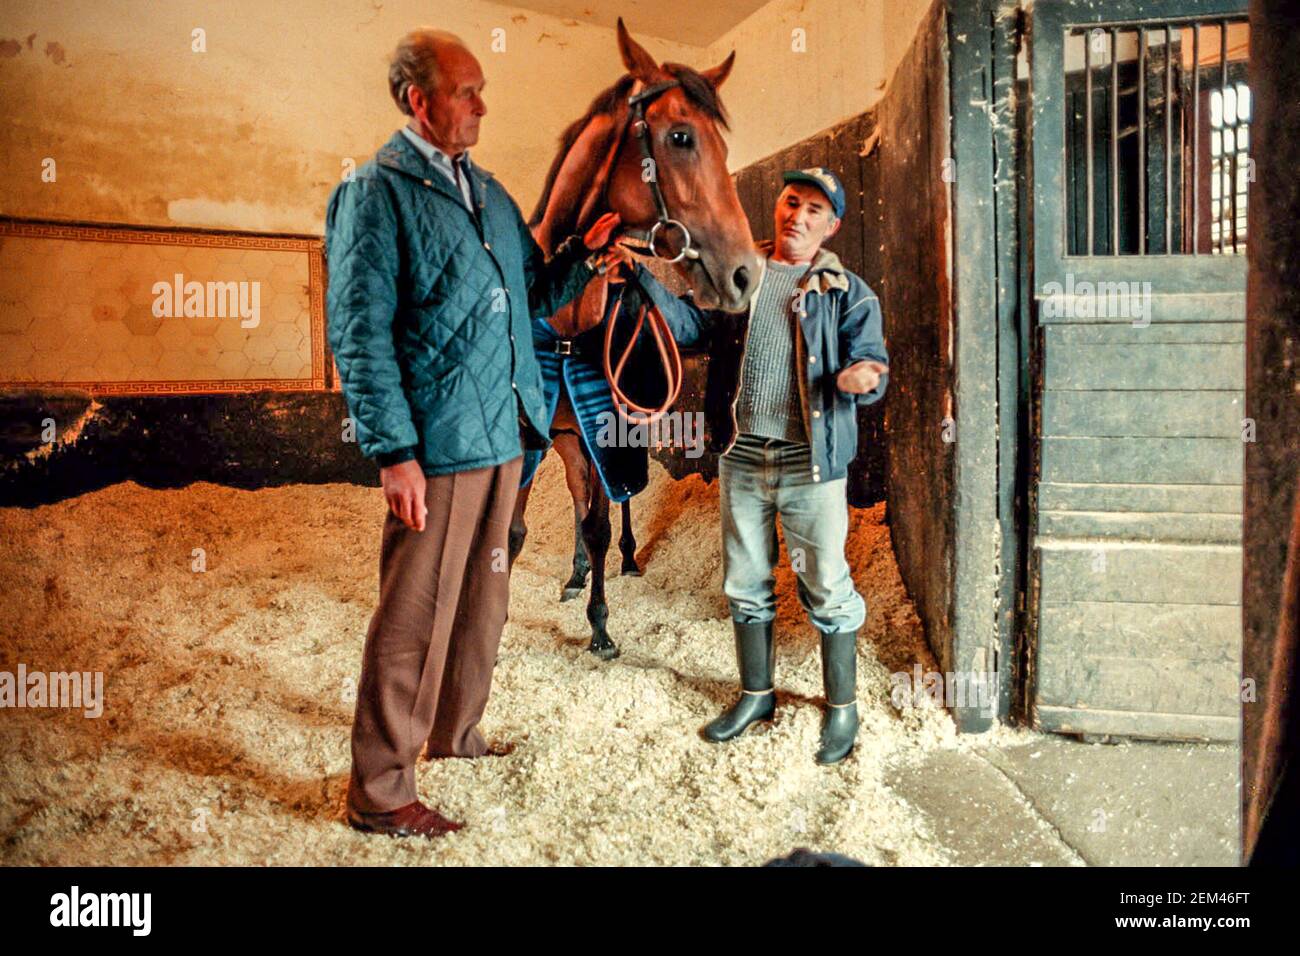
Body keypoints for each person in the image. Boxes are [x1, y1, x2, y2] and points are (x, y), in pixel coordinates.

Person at [324, 28, 619, 838]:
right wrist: (394, 452)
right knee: (414, 616)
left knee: (482, 605)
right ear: (417, 100)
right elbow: (359, 332)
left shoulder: (487, 194)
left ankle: (456, 736)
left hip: (507, 432)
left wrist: (584, 261)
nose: (482, 106)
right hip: (438, 440)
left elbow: (532, 292)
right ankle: (381, 791)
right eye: (466, 92)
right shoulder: (375, 192)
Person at [634, 167, 889, 764]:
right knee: (746, 584)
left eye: (813, 210)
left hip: (811, 464)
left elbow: (872, 360)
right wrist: (643, 286)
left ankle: (842, 710)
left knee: (825, 584)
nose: (797, 216)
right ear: (776, 206)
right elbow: (693, 328)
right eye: (790, 202)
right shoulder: (740, 277)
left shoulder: (846, 290)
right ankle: (756, 696)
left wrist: (861, 377)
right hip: (742, 455)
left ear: (831, 226)